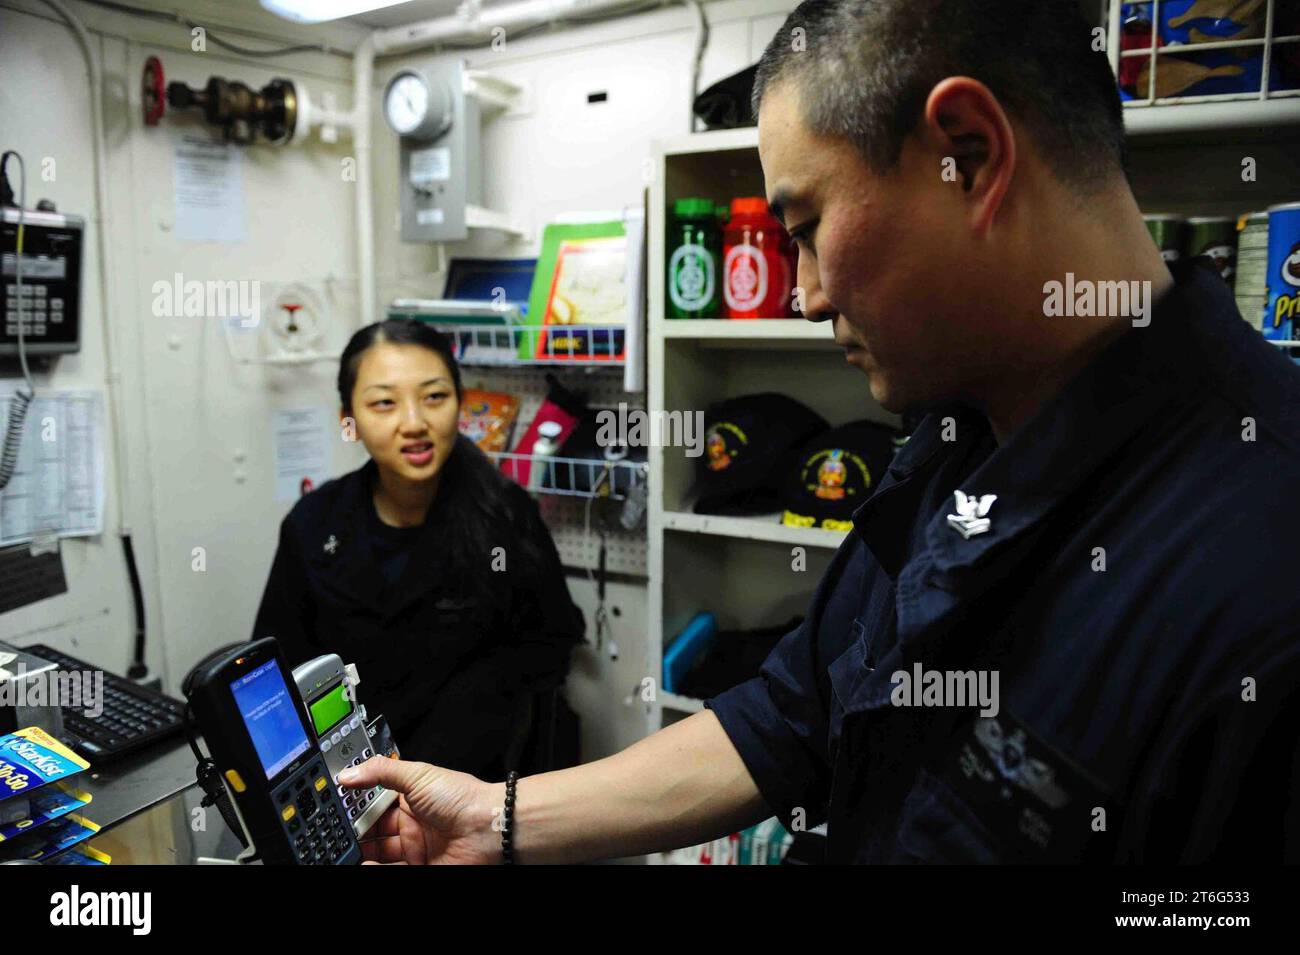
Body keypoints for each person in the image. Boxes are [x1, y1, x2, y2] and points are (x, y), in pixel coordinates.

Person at [338, 0, 1300, 863]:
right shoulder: (955, 434)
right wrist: (497, 819)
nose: (798, 295)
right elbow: (795, 708)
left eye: (804, 224)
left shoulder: (1258, 567)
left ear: (967, 154)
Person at [252, 319, 584, 780]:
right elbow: (279, 667)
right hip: (349, 786)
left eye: (434, 397)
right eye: (384, 403)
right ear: (348, 419)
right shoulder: (313, 523)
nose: (414, 423)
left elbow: (550, 647)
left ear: (460, 403)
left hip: (472, 793)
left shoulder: (505, 517)